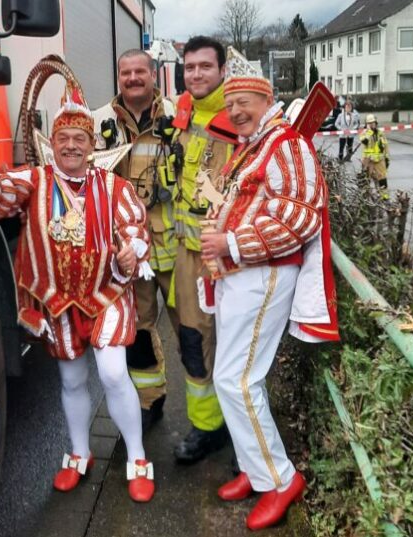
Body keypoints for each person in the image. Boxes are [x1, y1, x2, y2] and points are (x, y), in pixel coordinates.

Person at [0, 82, 155, 502]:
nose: (70, 146)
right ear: (53, 144)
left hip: (107, 295)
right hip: (57, 301)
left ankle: (137, 457)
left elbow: (137, 230)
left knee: (114, 372)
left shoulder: (113, 186)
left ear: (91, 144)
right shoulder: (36, 180)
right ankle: (80, 453)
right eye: (62, 139)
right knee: (71, 379)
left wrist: (130, 253)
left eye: (78, 139)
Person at [198, 70, 340, 530]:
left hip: (265, 275)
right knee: (230, 379)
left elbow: (303, 218)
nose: (236, 111)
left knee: (239, 381)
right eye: (231, 103)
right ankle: (254, 470)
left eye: (245, 102)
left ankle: (280, 481)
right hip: (243, 276)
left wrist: (232, 245)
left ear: (267, 101)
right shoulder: (253, 146)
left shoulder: (285, 144)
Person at [93, 49, 178, 431]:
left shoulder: (178, 117)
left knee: (192, 331)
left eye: (139, 71)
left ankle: (210, 419)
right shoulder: (100, 122)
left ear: (154, 74)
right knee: (139, 332)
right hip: (129, 248)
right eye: (125, 72)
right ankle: (149, 402)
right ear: (118, 76)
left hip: (176, 245)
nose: (132, 78)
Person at [170, 35, 240, 464]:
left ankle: (244, 431)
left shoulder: (239, 114)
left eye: (204, 67)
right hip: (186, 255)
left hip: (232, 258)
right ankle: (207, 428)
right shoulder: (181, 113)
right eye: (189, 67)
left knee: (238, 346)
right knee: (194, 343)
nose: (195, 74)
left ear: (221, 70)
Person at [360, 113, 390, 189]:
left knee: (382, 179)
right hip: (368, 161)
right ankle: (364, 197)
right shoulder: (364, 133)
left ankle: (384, 197)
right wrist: (369, 132)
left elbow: (385, 146)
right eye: (369, 123)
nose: (372, 125)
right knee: (366, 180)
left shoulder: (380, 133)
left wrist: (387, 158)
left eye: (373, 123)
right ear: (367, 124)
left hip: (379, 160)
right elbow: (364, 142)